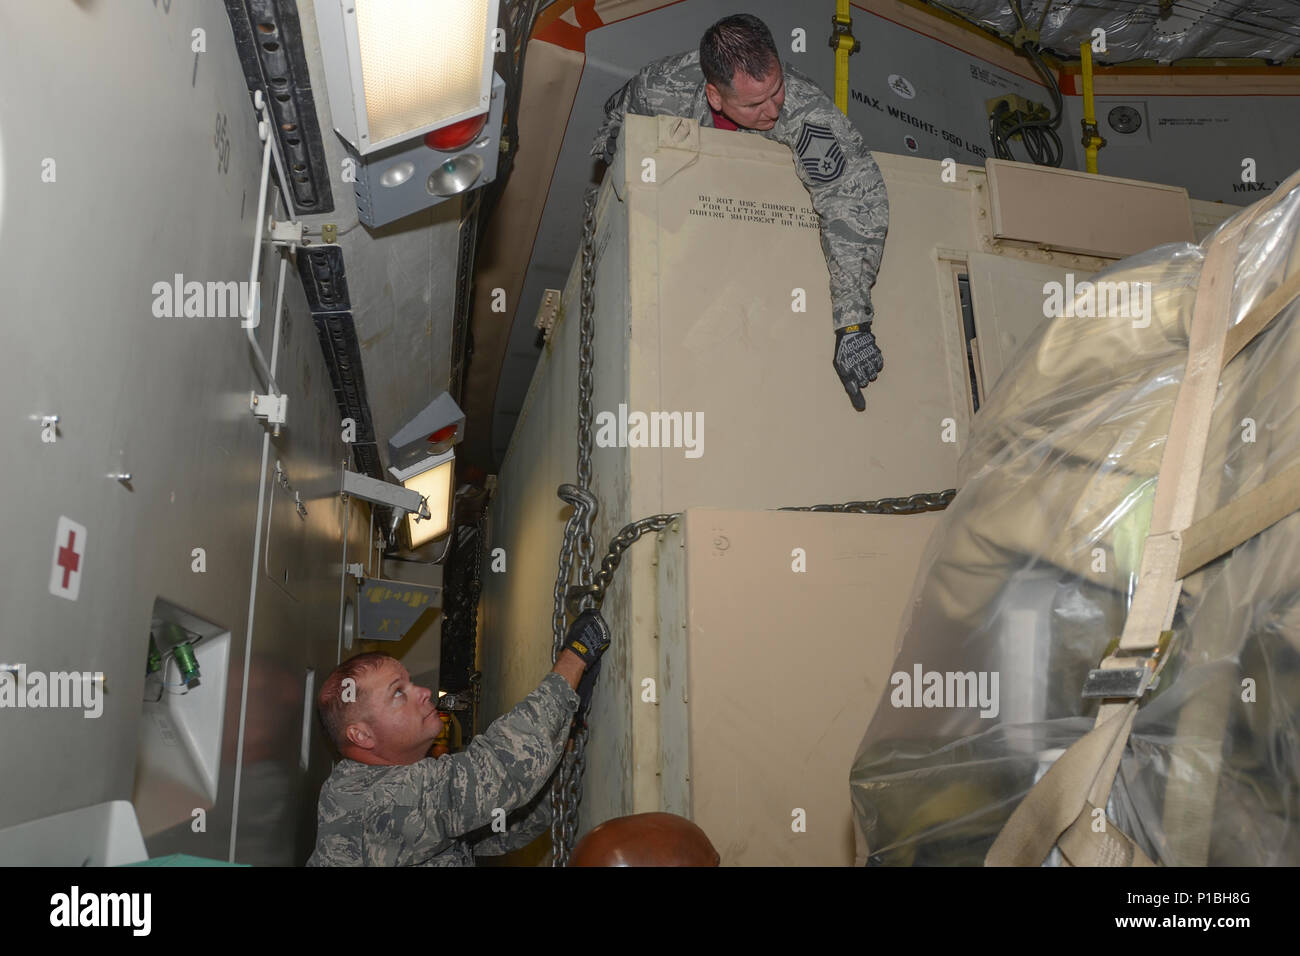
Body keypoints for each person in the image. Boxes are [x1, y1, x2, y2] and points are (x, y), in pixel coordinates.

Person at [592, 13, 890, 412]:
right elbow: (615, 126)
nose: (772, 110)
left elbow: (852, 200)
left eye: (776, 90)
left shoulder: (802, 107)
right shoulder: (660, 87)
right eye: (753, 104)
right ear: (715, 96)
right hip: (672, 229)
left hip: (746, 238)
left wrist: (852, 324)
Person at [307, 610, 610, 866]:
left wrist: (565, 727)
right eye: (398, 692)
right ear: (361, 734)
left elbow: (498, 829)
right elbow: (499, 771)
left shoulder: (386, 778)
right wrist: (575, 658)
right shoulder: (375, 802)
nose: (424, 692)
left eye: (410, 683)